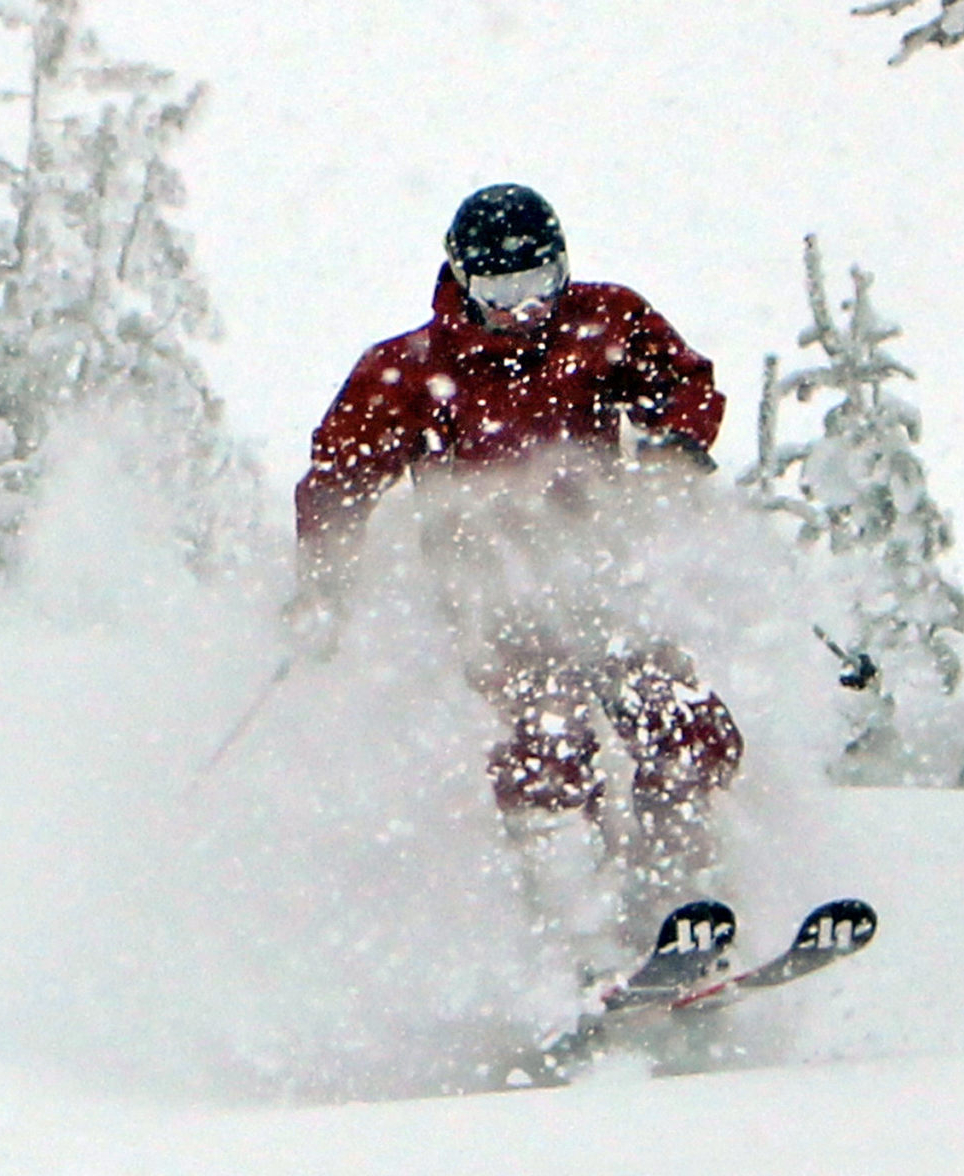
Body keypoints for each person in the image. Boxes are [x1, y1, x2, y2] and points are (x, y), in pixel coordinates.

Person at [288, 184, 743, 930]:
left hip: (597, 575)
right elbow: (337, 483)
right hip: (489, 599)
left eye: (534, 285)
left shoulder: (605, 320)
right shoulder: (408, 372)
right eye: (497, 289)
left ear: (561, 271)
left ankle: (679, 893)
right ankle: (569, 929)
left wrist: (680, 439)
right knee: (549, 747)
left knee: (681, 725)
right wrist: (324, 586)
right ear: (461, 281)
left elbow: (682, 379)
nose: (518, 309)